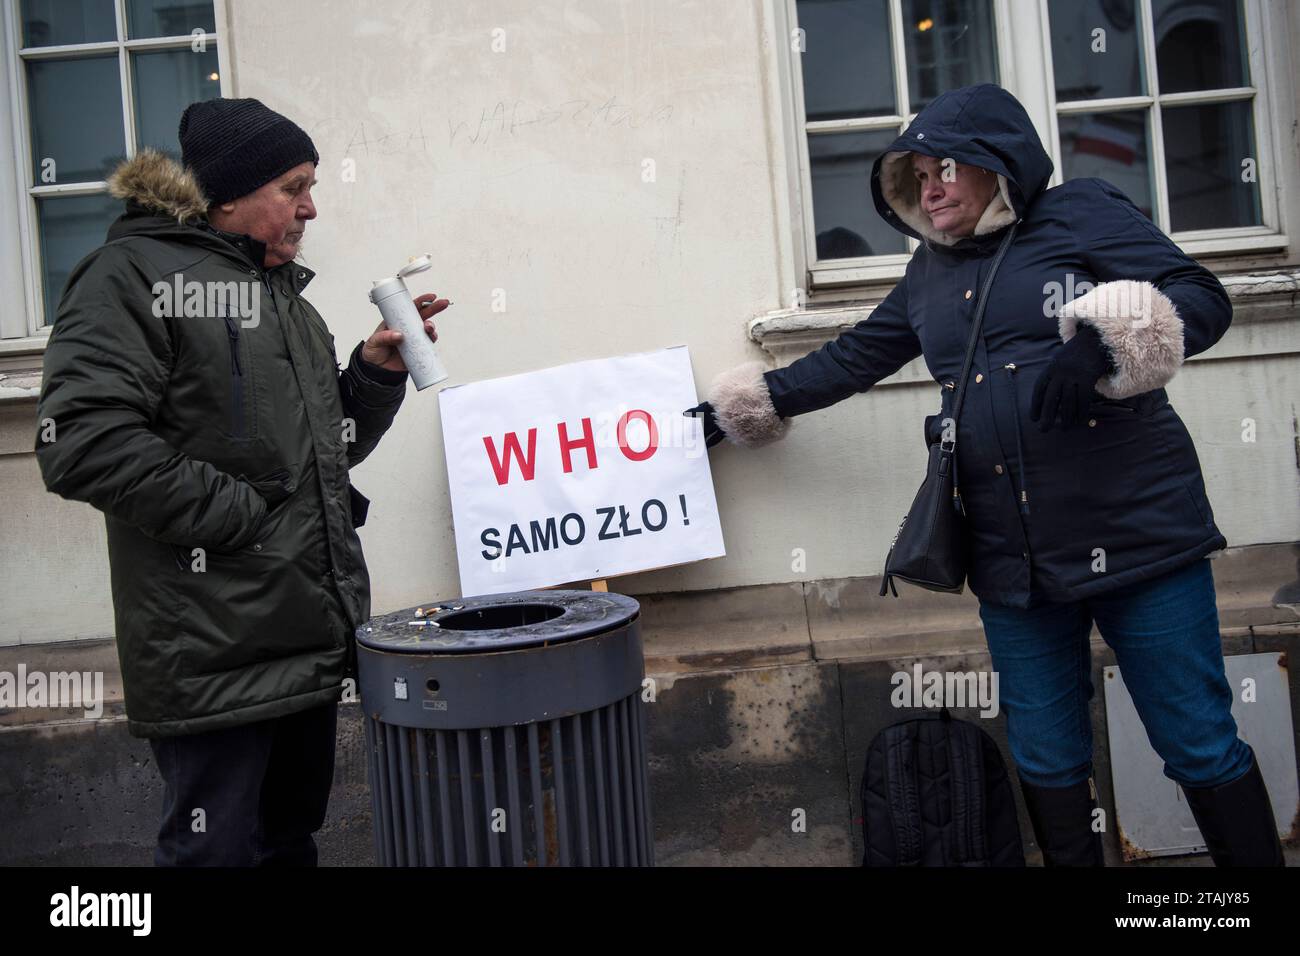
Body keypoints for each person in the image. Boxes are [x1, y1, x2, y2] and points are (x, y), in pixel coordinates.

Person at [687, 84, 1283, 867]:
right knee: (1046, 755)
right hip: (1013, 562)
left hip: (1142, 540)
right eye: (915, 176)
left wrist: (1106, 340)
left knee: (1198, 743)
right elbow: (855, 357)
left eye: (945, 168)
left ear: (996, 168)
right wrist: (730, 414)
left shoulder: (1078, 214)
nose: (928, 188)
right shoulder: (928, 274)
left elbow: (1200, 296)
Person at [34, 97, 450, 866]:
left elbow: (323, 453)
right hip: (213, 650)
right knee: (215, 855)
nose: (311, 207)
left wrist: (372, 375)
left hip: (305, 642)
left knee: (287, 844)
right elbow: (82, 440)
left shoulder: (286, 303)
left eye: (312, 185)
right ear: (229, 193)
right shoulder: (129, 277)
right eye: (293, 186)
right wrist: (247, 521)